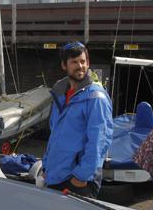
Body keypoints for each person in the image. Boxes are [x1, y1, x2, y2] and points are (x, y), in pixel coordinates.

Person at [41, 41, 113, 197]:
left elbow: (99, 140)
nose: (80, 66)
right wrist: (46, 166)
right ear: (64, 65)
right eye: (74, 62)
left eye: (83, 61)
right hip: (55, 176)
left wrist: (81, 177)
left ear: (88, 63)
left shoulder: (96, 97)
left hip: (78, 181)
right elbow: (54, 135)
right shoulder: (59, 95)